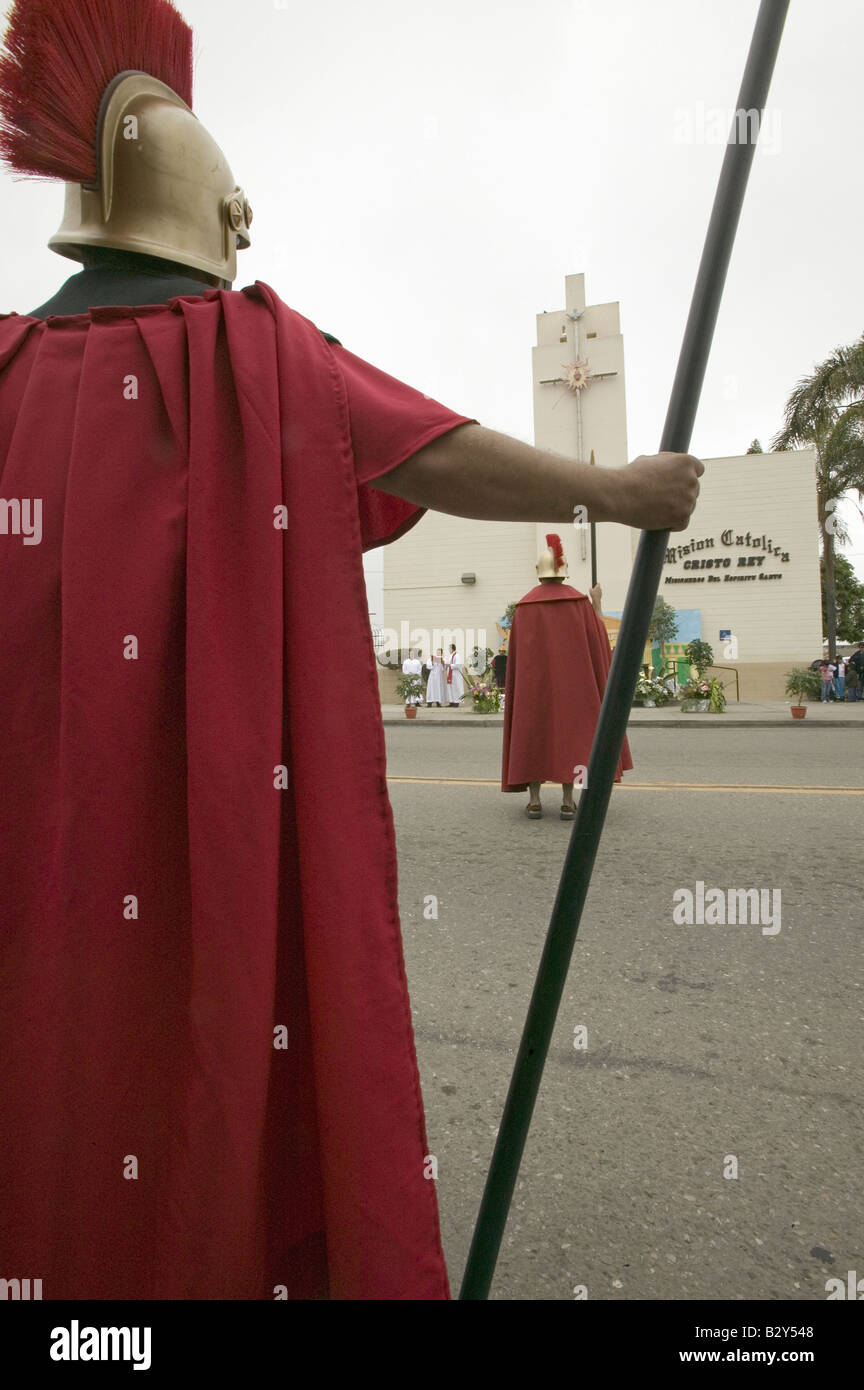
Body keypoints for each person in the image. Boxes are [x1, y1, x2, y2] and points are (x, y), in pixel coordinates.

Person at [0, 0, 703, 1301]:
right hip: (219, 865)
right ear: (206, 209)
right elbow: (434, 449)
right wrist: (615, 490)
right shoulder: (261, 354)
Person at [501, 535, 633, 819]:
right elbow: (599, 640)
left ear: (539, 571)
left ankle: (535, 801)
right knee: (569, 737)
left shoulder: (524, 608)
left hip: (533, 689)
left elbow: (516, 657)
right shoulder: (578, 602)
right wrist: (597, 603)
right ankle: (567, 801)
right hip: (573, 689)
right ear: (563, 570)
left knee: (532, 732)